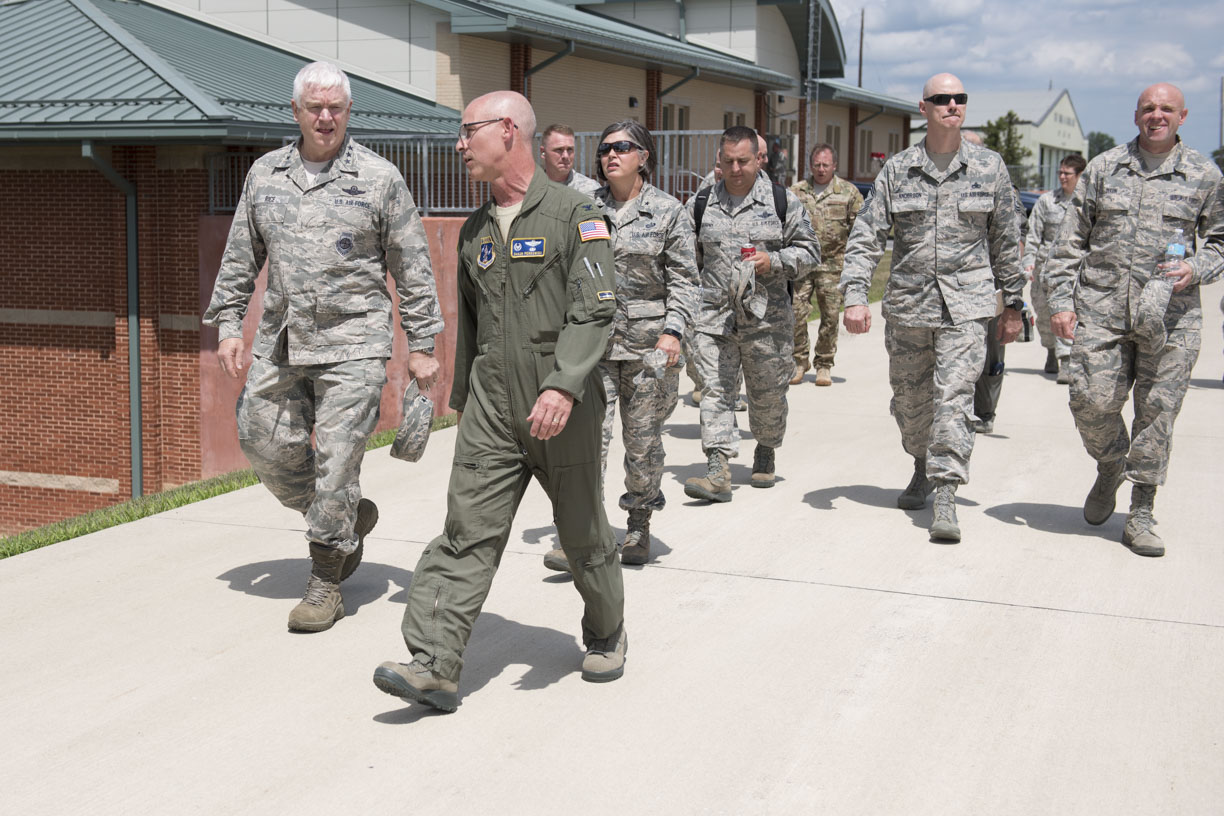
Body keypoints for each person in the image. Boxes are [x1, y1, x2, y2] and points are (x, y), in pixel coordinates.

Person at [373, 91, 626, 713]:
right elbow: (477, 322)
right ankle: (434, 662)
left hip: (559, 401)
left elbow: (593, 311)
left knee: (583, 532)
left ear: (507, 131)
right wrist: (464, 401)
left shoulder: (576, 214)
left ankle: (606, 629)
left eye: (468, 131)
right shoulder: (475, 230)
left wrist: (564, 385)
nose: (459, 144)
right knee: (465, 532)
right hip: (491, 405)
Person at [202, 61, 443, 632]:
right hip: (282, 339)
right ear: (296, 113)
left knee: (338, 462)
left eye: (335, 107)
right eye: (315, 107)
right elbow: (241, 255)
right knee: (260, 440)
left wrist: (423, 343)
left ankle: (325, 581)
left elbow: (411, 264)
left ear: (348, 112)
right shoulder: (265, 175)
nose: (326, 116)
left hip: (355, 343)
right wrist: (230, 324)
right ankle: (341, 518)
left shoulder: (380, 178)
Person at [840, 73, 1025, 543]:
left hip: (967, 308)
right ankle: (921, 463)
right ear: (923, 108)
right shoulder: (899, 170)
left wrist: (1014, 306)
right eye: (941, 99)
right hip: (908, 307)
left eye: (959, 98)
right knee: (911, 404)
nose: (952, 105)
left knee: (954, 401)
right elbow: (866, 236)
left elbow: (1006, 240)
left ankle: (945, 488)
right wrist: (856, 296)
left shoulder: (989, 167)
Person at [1045, 82, 1223, 558]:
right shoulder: (1104, 168)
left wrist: (1196, 268)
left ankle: (1140, 511)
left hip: (1171, 318)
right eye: (1149, 108)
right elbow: (1069, 243)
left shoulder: (1205, 174)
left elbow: (1222, 241)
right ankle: (1109, 465)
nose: (1157, 115)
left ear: (1183, 117)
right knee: (1089, 400)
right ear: (1136, 115)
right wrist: (1061, 303)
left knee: (1157, 415)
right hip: (1103, 313)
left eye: (1167, 109)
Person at [543, 122, 700, 570]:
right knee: (588, 442)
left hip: (650, 350)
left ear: (644, 156)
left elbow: (686, 281)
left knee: (643, 444)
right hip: (593, 349)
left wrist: (674, 331)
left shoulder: (668, 212)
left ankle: (638, 523)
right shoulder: (584, 209)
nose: (612, 155)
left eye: (623, 147)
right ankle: (581, 535)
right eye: (606, 148)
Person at [683, 125, 819, 503]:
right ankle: (718, 467)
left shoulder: (781, 201)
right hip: (713, 319)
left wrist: (773, 260)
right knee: (716, 391)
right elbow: (685, 255)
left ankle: (766, 445)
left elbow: (811, 252)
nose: (735, 168)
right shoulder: (701, 202)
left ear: (758, 159)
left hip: (767, 322)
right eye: (728, 161)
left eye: (743, 160)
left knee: (767, 396)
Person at [961, 130, 1029, 435]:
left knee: (991, 350)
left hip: (991, 281)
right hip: (957, 281)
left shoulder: (1002, 187)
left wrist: (1011, 290)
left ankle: (985, 411)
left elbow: (1015, 239)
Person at [789, 143, 863, 386]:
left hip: (833, 265)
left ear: (834, 166)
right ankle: (799, 361)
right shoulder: (797, 192)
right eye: (817, 164)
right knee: (796, 313)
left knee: (830, 317)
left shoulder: (849, 193)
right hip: (802, 263)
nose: (821, 169)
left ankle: (824, 364)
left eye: (826, 165)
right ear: (810, 165)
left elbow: (861, 231)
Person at [1023, 153, 1086, 384]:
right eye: (1060, 172)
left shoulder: (1086, 202)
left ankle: (1066, 360)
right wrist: (1027, 262)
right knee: (1043, 316)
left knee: (1067, 314)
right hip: (1045, 270)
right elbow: (1033, 235)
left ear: (1079, 176)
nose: (1061, 177)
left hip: (1073, 270)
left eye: (1067, 173)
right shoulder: (1047, 201)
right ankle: (1050, 350)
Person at [540, 123, 600, 196]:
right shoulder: (529, 187)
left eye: (569, 149)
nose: (566, 156)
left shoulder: (590, 189)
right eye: (559, 149)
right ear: (543, 152)